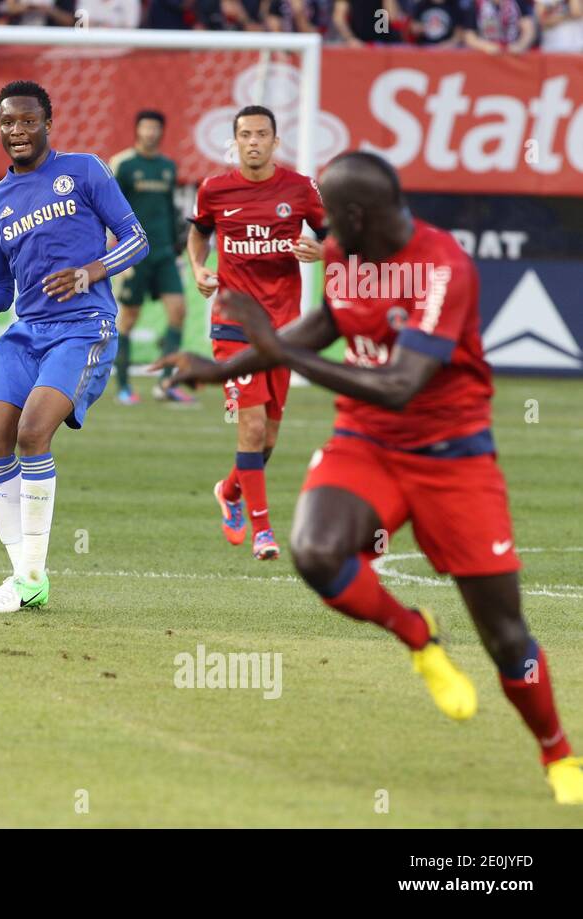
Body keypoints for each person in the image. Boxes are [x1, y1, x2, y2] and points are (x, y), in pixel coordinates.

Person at [157, 150, 583, 805]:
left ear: (357, 214)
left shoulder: (444, 267)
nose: (319, 223)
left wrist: (280, 355)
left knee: (505, 636)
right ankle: (418, 634)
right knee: (318, 552)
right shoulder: (341, 253)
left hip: (454, 458)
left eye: (328, 211)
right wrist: (218, 367)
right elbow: (325, 323)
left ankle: (557, 750)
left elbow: (401, 384)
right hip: (366, 444)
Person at [0, 81, 147, 614]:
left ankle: (29, 577)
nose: (17, 131)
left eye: (28, 121)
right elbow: (1, 291)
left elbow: (137, 239)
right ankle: (25, 575)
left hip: (83, 326)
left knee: (33, 433)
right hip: (25, 333)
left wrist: (90, 272)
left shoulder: (84, 171)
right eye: (8, 122)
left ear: (47, 123)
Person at [185, 105, 324, 560]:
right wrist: (198, 267)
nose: (253, 142)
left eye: (262, 134)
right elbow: (199, 233)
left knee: (267, 441)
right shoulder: (214, 190)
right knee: (252, 425)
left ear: (275, 141)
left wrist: (321, 248)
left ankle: (229, 491)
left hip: (284, 330)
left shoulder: (301, 190)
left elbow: (334, 234)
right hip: (233, 324)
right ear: (236, 140)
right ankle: (264, 532)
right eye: (245, 134)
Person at [109, 110, 193, 406]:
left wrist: (176, 243)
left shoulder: (168, 167)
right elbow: (108, 205)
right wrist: (112, 248)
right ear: (137, 130)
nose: (150, 132)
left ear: (161, 131)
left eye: (155, 127)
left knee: (178, 311)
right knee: (129, 318)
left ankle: (165, 383)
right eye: (145, 127)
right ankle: (123, 386)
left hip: (164, 253)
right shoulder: (124, 165)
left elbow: (169, 208)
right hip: (133, 253)